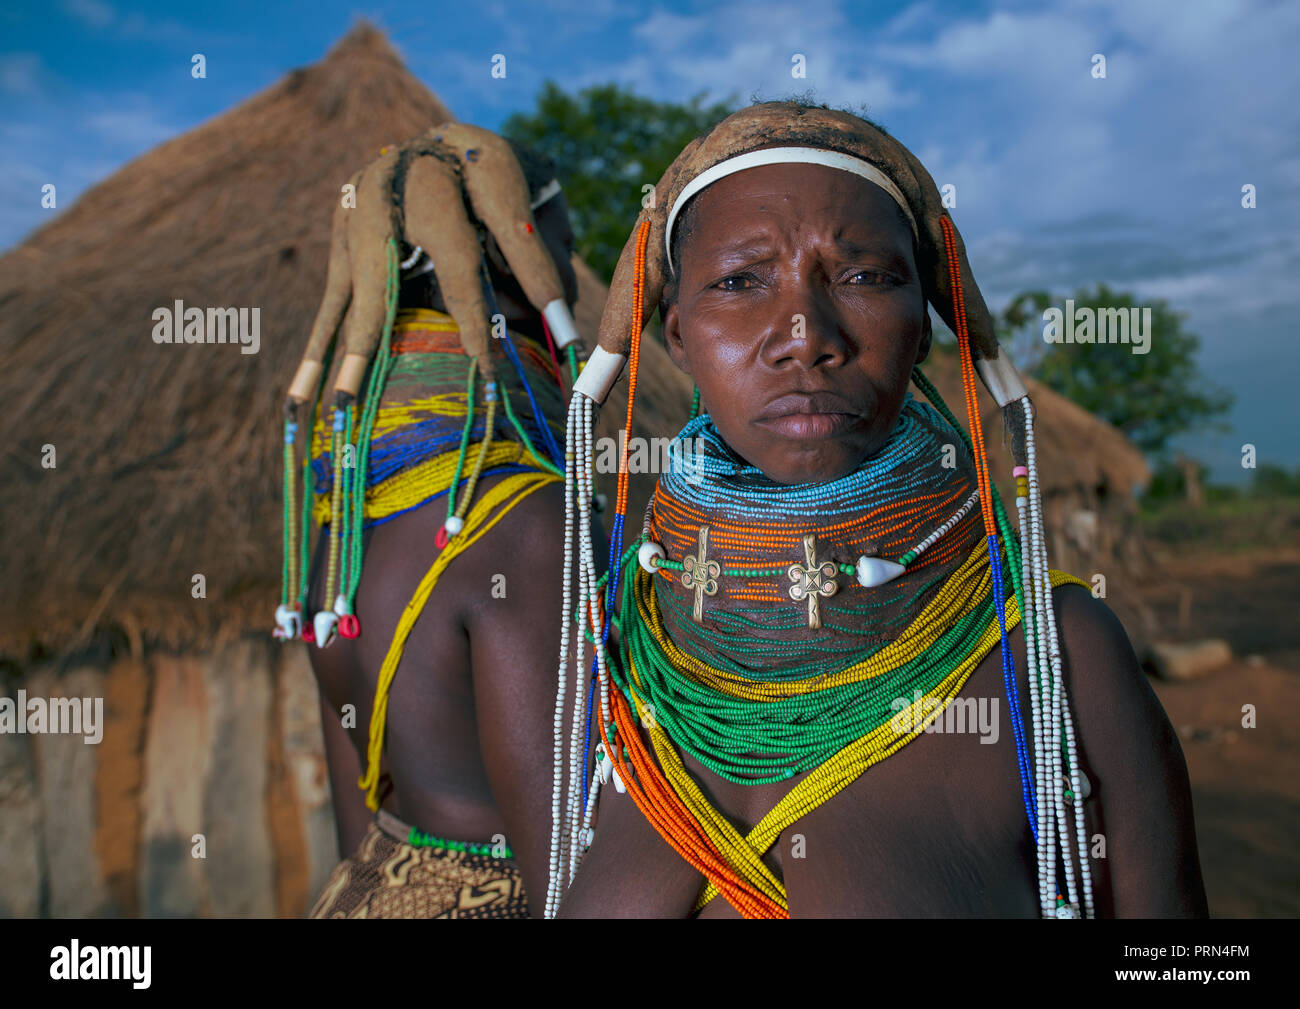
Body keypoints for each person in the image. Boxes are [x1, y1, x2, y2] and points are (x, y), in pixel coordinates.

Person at [548, 101, 1207, 918]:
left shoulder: (1054, 652)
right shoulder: (614, 649)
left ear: (925, 326)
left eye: (863, 276)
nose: (805, 335)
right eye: (741, 280)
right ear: (676, 336)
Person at [275, 124, 592, 918]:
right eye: (565, 248)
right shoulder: (527, 523)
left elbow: (363, 800)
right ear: (512, 267)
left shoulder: (340, 527)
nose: (576, 280)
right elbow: (575, 872)